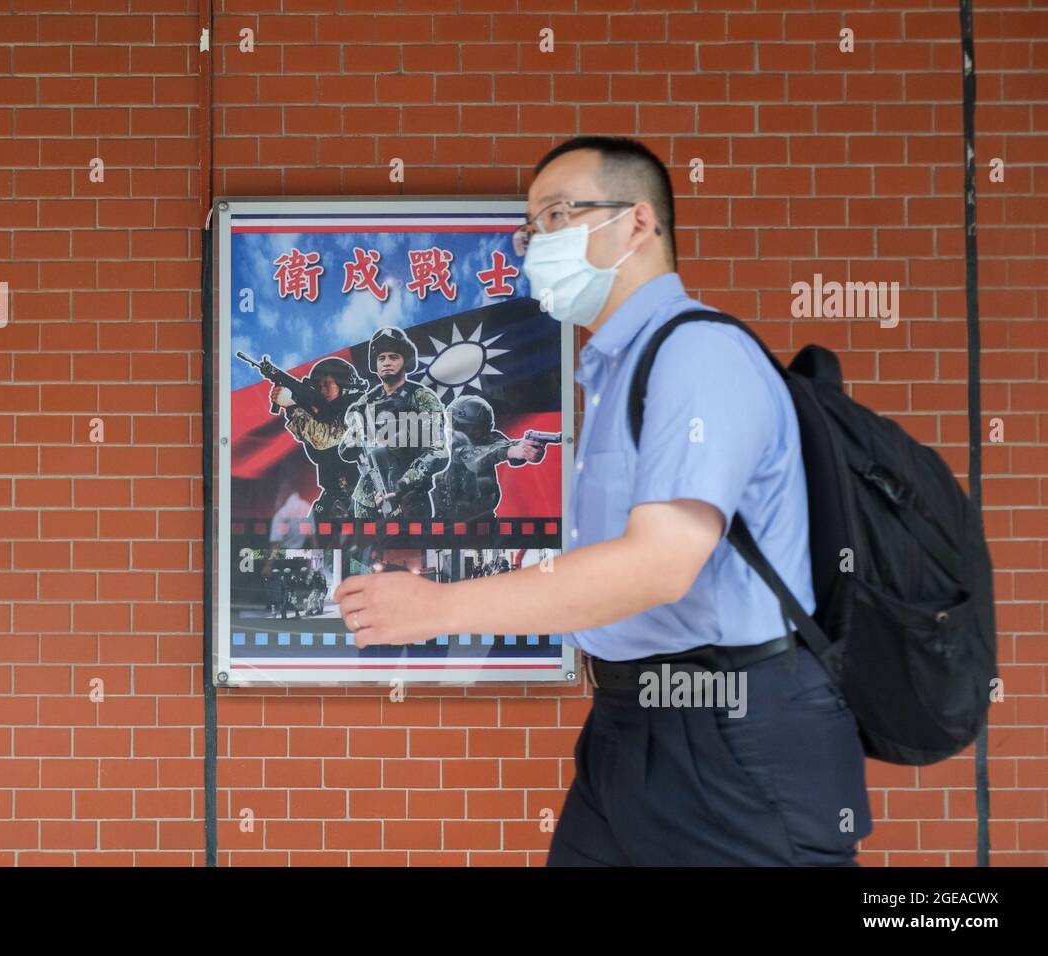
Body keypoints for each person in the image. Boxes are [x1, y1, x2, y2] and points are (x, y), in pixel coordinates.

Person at [333, 135, 872, 866]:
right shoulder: (617, 371)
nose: (538, 244)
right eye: (531, 228)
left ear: (638, 224)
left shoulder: (697, 354)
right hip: (632, 722)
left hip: (733, 732)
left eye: (559, 215)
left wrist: (439, 607)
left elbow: (660, 565)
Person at [338, 327, 450, 519]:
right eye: (381, 358)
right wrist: (358, 439)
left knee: (414, 548)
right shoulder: (366, 402)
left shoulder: (421, 398)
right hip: (369, 500)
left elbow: (438, 452)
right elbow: (345, 449)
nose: (387, 363)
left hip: (410, 499)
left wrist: (404, 482)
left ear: (404, 360)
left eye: (393, 357)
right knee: (365, 549)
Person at [270, 357, 367, 521]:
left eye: (327, 384)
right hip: (334, 495)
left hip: (360, 496)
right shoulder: (328, 413)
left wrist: (292, 405)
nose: (322, 391)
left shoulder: (357, 409)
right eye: (319, 386)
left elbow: (323, 439)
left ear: (343, 385)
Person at [432, 395, 547, 521]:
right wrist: (511, 451)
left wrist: (527, 448)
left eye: (480, 428)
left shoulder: (487, 437)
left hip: (483, 516)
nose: (478, 433)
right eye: (473, 428)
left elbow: (504, 447)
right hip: (447, 520)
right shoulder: (446, 442)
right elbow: (472, 457)